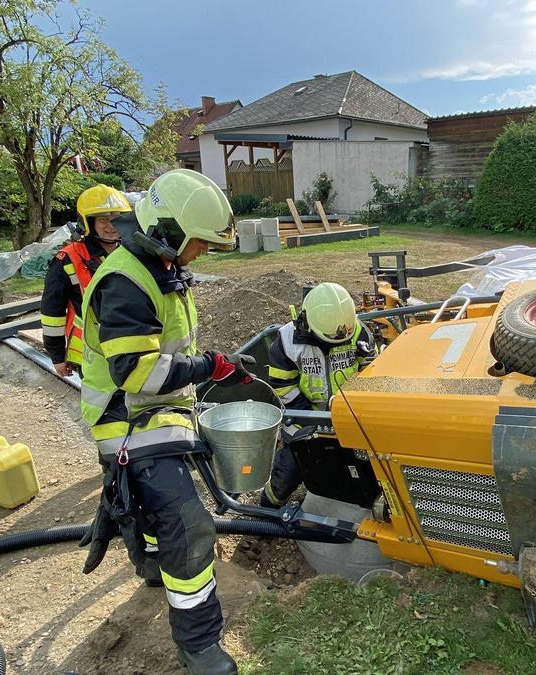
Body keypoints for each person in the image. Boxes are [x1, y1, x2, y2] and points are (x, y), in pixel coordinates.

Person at [76, 169, 252, 675]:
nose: (203, 252)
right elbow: (136, 372)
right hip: (126, 419)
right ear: (167, 231)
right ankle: (198, 644)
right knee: (190, 526)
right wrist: (209, 367)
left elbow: (167, 350)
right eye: (199, 242)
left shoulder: (161, 266)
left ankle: (152, 558)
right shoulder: (127, 282)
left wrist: (214, 367)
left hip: (158, 410)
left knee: (155, 509)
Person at [260, 282, 376, 508]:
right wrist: (311, 420)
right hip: (304, 420)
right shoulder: (287, 342)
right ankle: (267, 509)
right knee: (287, 474)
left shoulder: (357, 332)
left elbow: (371, 374)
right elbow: (282, 386)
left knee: (368, 471)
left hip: (350, 418)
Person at [40, 184, 131, 376]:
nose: (111, 225)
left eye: (116, 218)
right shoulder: (67, 258)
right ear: (88, 222)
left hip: (129, 347)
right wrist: (57, 356)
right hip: (91, 353)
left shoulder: (132, 251)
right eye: (103, 219)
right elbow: (52, 313)